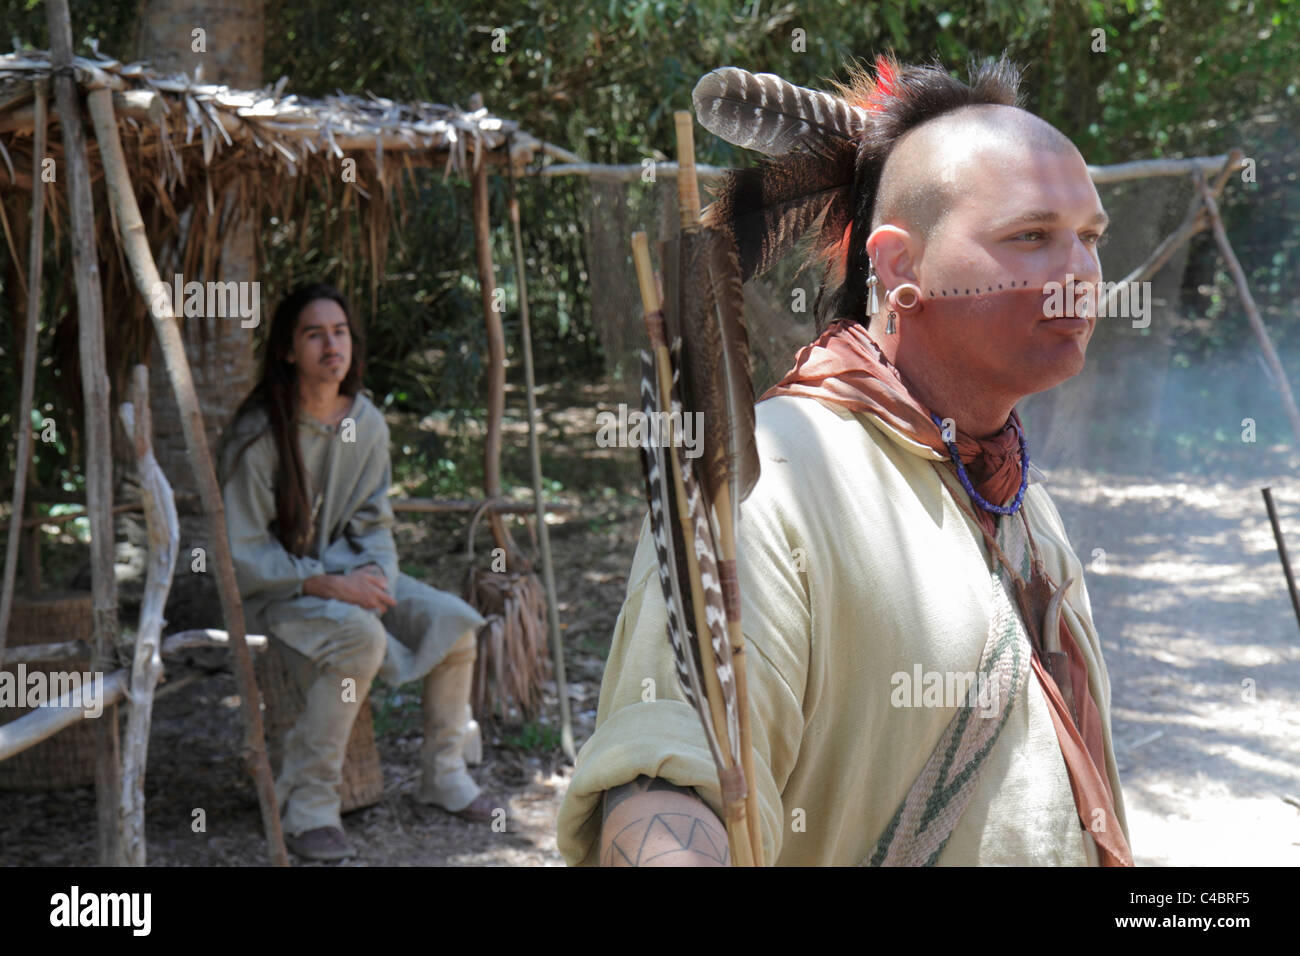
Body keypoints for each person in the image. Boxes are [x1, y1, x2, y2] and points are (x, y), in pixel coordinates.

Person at [555, 53, 1135, 866]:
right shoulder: (771, 488)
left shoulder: (1009, 489)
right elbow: (661, 784)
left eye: (1090, 239)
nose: (1079, 274)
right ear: (900, 268)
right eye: (1031, 237)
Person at [218, 282, 494, 862]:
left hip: (353, 575)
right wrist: (327, 584)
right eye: (313, 333)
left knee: (455, 624)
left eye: (339, 331)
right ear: (289, 350)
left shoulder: (363, 423)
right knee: (359, 638)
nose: (330, 344)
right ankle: (310, 804)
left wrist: (377, 581)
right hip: (277, 589)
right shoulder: (259, 434)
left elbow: (375, 522)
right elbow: (240, 550)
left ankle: (442, 774)